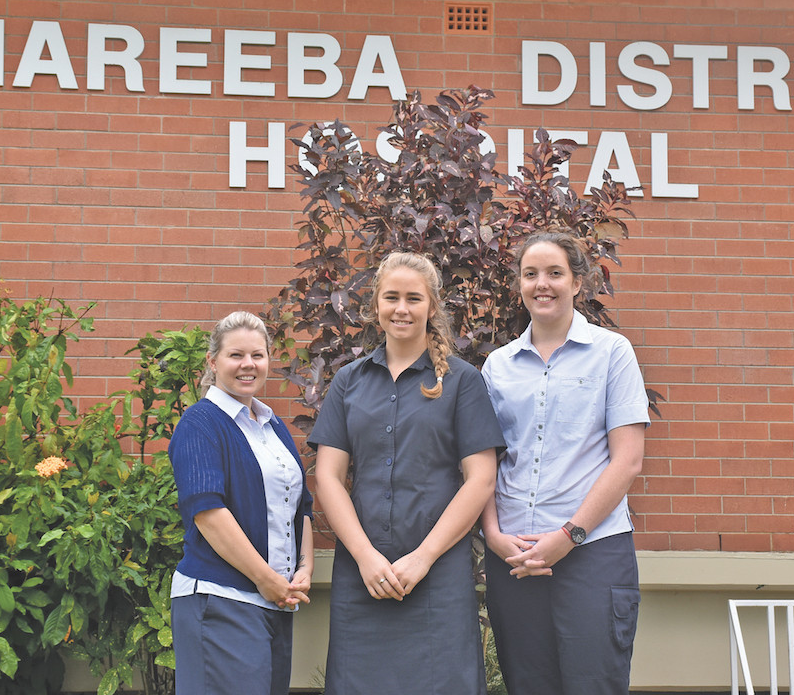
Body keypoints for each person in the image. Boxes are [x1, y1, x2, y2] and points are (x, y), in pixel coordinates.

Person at [308, 252, 504, 695]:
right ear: (375, 305)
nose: (402, 308)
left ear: (432, 307)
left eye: (414, 298)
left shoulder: (462, 381)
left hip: (438, 575)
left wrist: (423, 557)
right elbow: (328, 478)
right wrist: (364, 556)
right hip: (363, 575)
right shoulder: (348, 382)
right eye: (391, 297)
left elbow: (481, 479)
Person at [480, 231, 651, 695]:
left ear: (578, 282)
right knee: (527, 684)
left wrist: (569, 535)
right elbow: (483, 464)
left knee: (594, 683)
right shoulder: (497, 366)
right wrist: (493, 535)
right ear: (519, 284)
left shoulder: (613, 353)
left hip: (592, 553)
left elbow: (628, 461)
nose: (542, 284)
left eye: (555, 273)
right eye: (530, 273)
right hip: (513, 557)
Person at [168, 311, 314, 695]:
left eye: (258, 355)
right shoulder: (201, 423)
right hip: (221, 599)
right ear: (213, 362)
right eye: (236, 355)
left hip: (275, 602)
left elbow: (302, 506)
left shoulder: (273, 426)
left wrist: (305, 568)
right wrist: (268, 580)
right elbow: (208, 513)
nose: (248, 365)